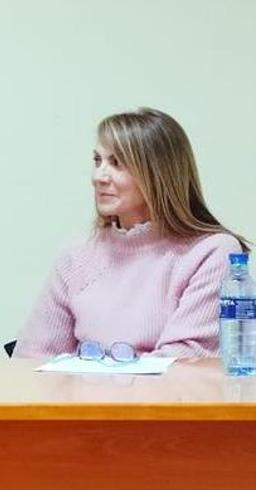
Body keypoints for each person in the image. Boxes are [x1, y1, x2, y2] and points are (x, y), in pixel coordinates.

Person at [15, 108, 248, 359]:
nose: (98, 177)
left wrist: (87, 372)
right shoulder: (77, 256)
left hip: (167, 398)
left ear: (158, 174)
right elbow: (30, 359)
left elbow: (184, 362)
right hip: (83, 397)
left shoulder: (212, 252)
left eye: (116, 163)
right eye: (97, 161)